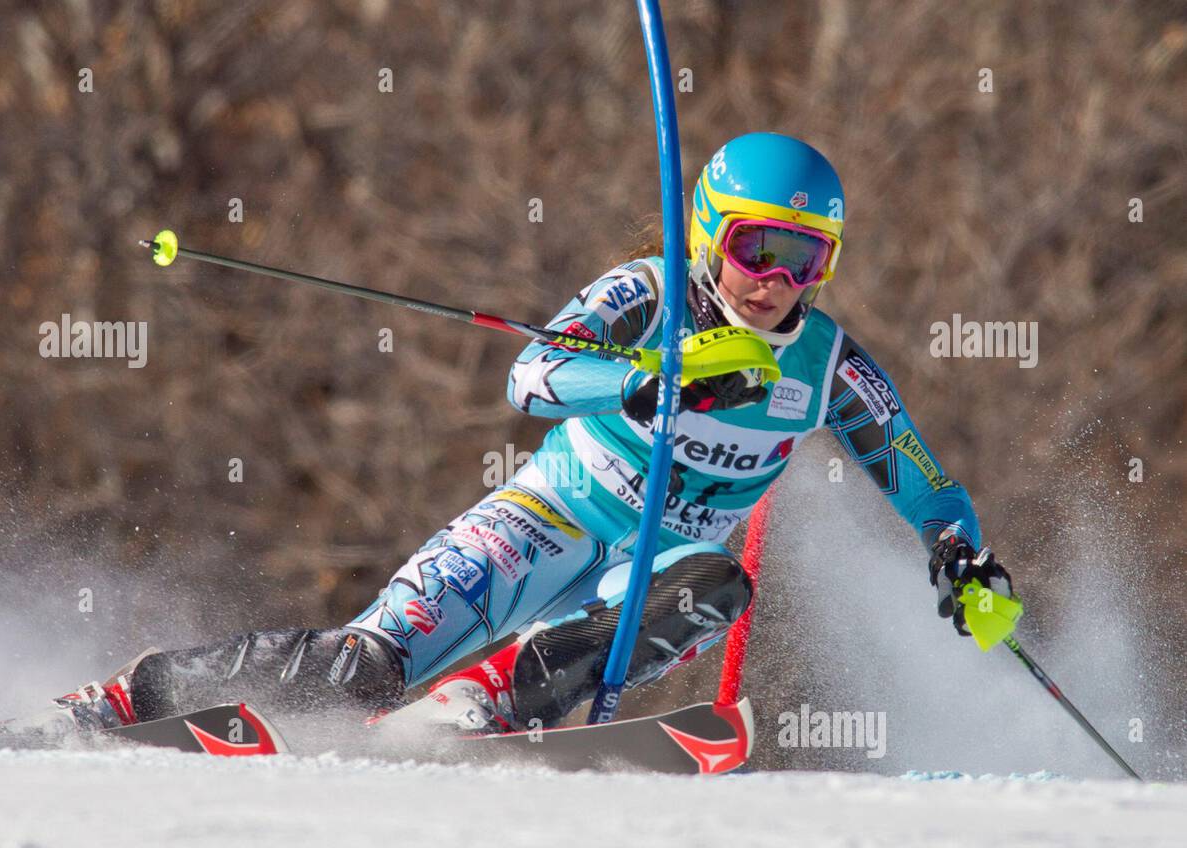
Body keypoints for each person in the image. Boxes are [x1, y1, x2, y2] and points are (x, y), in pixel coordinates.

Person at [59, 132, 1019, 738]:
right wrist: (646, 382)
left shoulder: (829, 368)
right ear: (710, 232)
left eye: (804, 255)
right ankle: (131, 699)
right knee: (361, 669)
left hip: (651, 563)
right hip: (546, 518)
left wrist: (960, 554)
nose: (774, 278)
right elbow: (533, 373)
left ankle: (486, 704)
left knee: (715, 585)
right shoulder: (650, 294)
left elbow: (924, 479)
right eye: (755, 246)